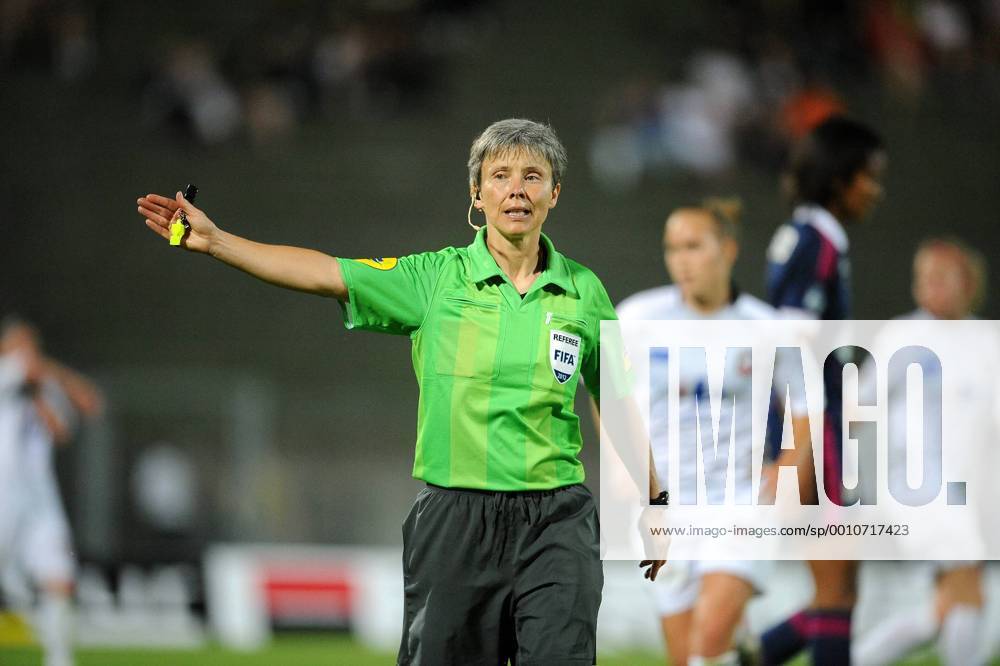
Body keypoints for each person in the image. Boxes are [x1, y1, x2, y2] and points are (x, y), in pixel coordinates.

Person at [136, 118, 664, 666]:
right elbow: (326, 273)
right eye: (500, 175)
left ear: (554, 193)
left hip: (557, 522)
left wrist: (656, 503)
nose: (516, 189)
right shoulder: (434, 279)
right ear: (476, 194)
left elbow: (616, 401)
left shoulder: (585, 291)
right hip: (456, 520)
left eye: (533, 176)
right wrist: (218, 242)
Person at [616, 199, 808, 666]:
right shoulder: (638, 318)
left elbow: (807, 411)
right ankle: (743, 650)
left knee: (707, 642)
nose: (681, 260)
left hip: (740, 502)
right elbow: (610, 399)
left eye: (693, 246)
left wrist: (788, 472)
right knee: (689, 658)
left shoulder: (766, 328)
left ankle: (730, 638)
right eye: (672, 248)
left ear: (728, 250)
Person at [759, 116, 886, 665]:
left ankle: (746, 655)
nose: (876, 189)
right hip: (815, 426)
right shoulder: (819, 244)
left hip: (811, 423)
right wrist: (801, 445)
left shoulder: (802, 234)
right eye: (870, 176)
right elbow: (792, 342)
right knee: (836, 589)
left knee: (839, 588)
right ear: (841, 179)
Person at [853, 237, 994, 666]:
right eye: (923, 278)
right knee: (965, 582)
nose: (929, 286)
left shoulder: (987, 343)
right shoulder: (903, 335)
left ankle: (855, 659)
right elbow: (857, 407)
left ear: (968, 284)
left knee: (945, 607)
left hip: (968, 493)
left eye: (941, 277)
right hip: (916, 488)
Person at [0, 318, 103, 666]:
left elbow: (67, 426)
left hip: (40, 497)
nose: (27, 354)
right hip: (3, 497)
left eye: (31, 346)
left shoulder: (42, 387)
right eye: (20, 345)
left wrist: (43, 395)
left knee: (58, 574)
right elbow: (21, 372)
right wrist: (45, 371)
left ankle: (59, 659)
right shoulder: (5, 377)